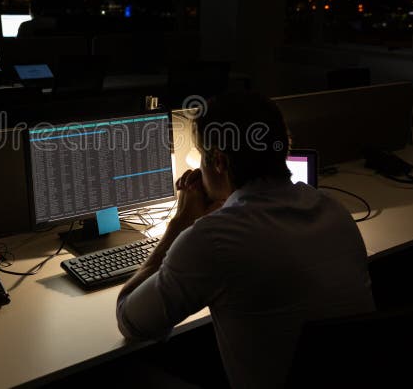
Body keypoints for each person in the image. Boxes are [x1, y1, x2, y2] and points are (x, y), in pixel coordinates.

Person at [116, 92, 375, 388]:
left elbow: (131, 321)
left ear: (219, 162)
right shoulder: (334, 210)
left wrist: (180, 223)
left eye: (201, 155)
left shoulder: (211, 240)